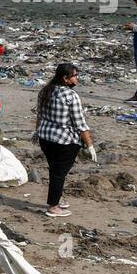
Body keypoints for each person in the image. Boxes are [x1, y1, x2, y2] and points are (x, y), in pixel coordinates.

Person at [36, 63, 96, 218]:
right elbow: (80, 124)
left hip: (45, 137)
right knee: (59, 173)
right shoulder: (71, 96)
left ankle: (57, 197)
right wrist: (90, 145)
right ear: (65, 78)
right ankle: (53, 206)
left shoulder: (45, 91)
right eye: (75, 75)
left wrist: (37, 132)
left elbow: (39, 115)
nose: (77, 78)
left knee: (55, 170)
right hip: (64, 141)